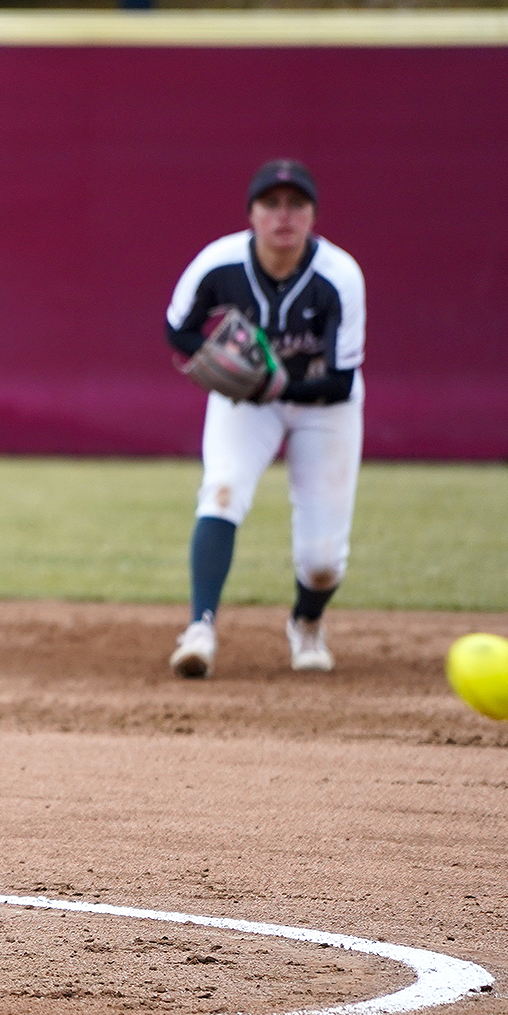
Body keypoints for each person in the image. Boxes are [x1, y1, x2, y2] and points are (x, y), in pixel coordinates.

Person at [163, 159, 366, 678]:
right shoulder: (219, 263)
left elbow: (340, 380)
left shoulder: (339, 277)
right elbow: (178, 329)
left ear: (313, 216)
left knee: (323, 561)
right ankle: (200, 628)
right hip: (248, 403)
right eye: (271, 204)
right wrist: (216, 361)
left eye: (296, 205)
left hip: (326, 407)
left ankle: (306, 623)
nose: (283, 216)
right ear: (251, 214)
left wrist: (277, 384)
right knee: (222, 491)